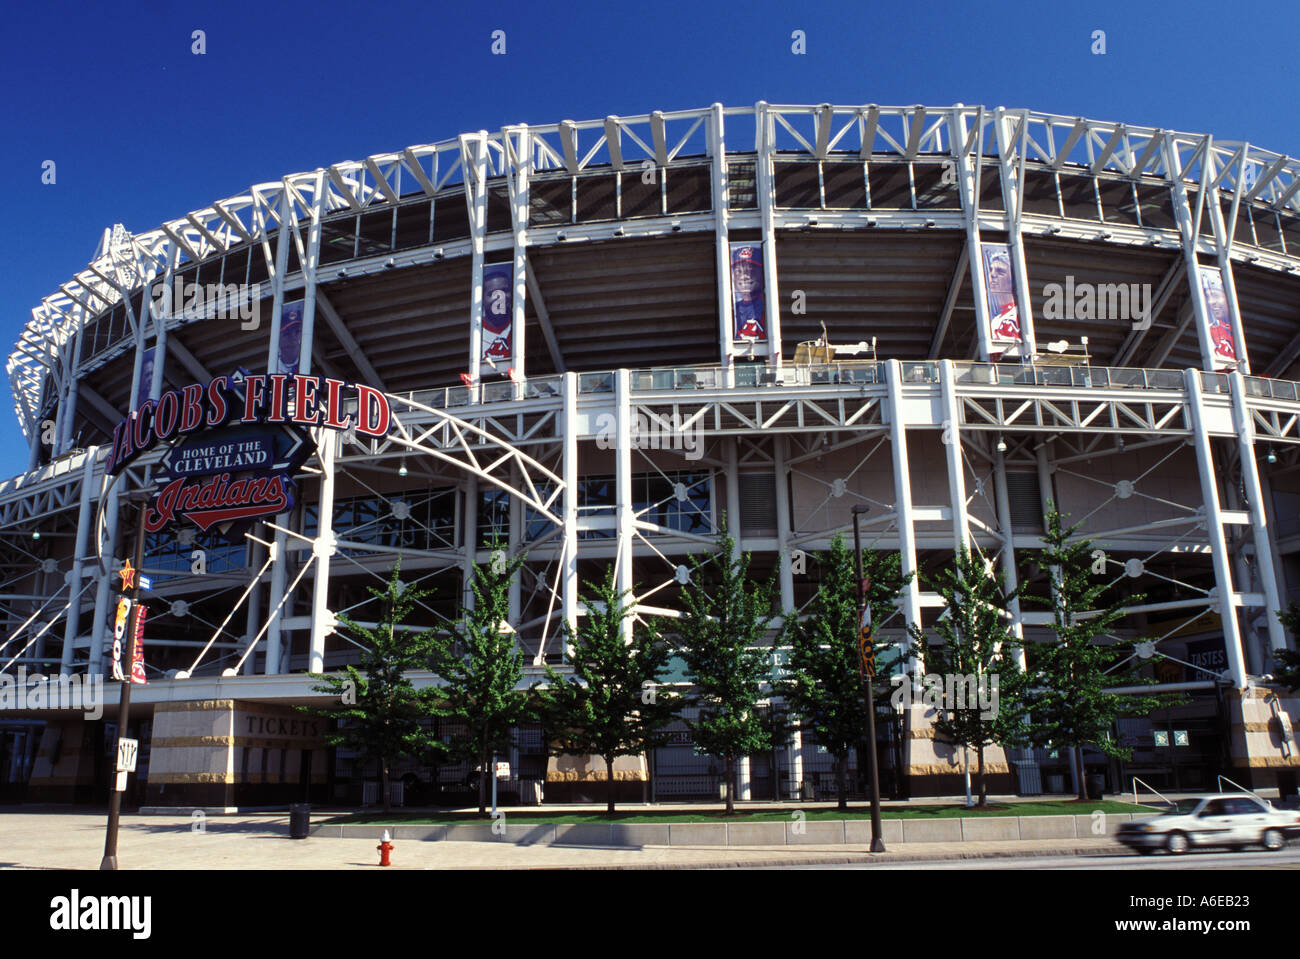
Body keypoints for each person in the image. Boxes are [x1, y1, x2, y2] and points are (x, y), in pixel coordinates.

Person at [731, 246, 766, 340]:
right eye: (738, 271)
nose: (744, 276)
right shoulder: (733, 309)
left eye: (750, 270)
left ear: (762, 274)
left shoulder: (768, 306)